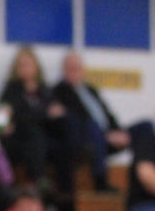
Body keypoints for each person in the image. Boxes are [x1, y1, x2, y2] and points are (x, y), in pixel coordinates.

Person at [0, 45, 71, 208]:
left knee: (62, 146)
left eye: (28, 64)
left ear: (36, 66)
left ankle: (65, 200)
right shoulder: (11, 89)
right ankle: (39, 181)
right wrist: (42, 114)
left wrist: (37, 115)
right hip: (18, 140)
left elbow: (56, 114)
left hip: (43, 140)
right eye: (21, 65)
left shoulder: (45, 90)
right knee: (33, 134)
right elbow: (2, 121)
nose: (25, 68)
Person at [52, 52, 133, 190]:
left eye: (78, 68)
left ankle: (140, 183)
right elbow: (76, 119)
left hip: (107, 135)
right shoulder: (59, 91)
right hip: (86, 140)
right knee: (93, 127)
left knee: (144, 127)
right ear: (64, 70)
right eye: (71, 68)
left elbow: (107, 114)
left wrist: (117, 131)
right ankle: (100, 181)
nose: (75, 72)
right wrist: (105, 135)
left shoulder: (91, 89)